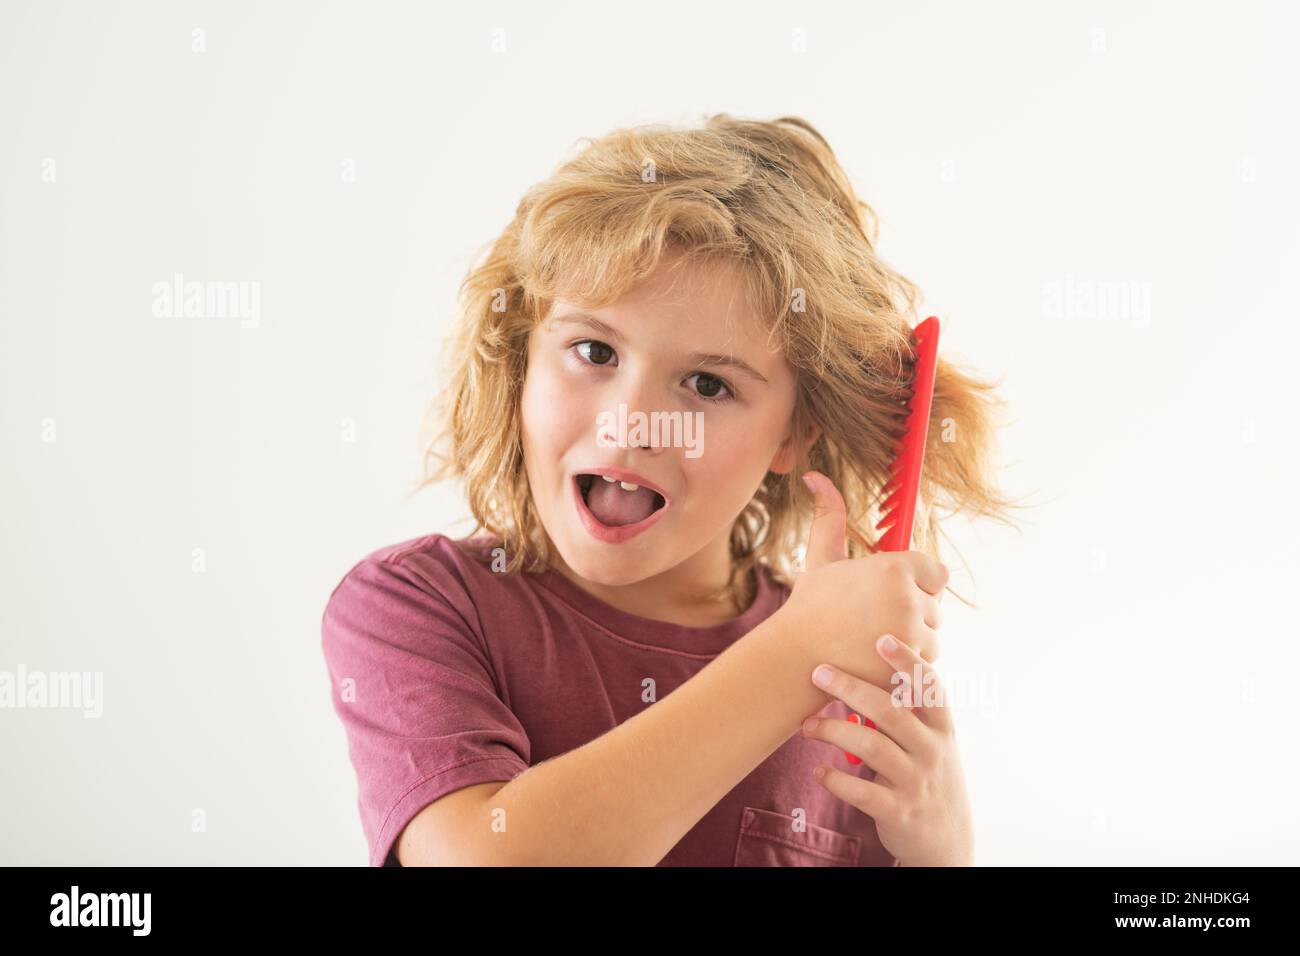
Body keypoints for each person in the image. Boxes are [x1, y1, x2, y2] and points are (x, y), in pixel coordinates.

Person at [321, 114, 1021, 866]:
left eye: (708, 385)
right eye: (594, 351)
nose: (630, 425)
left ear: (794, 433)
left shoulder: (852, 689)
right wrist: (796, 653)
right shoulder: (415, 606)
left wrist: (943, 854)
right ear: (522, 361)